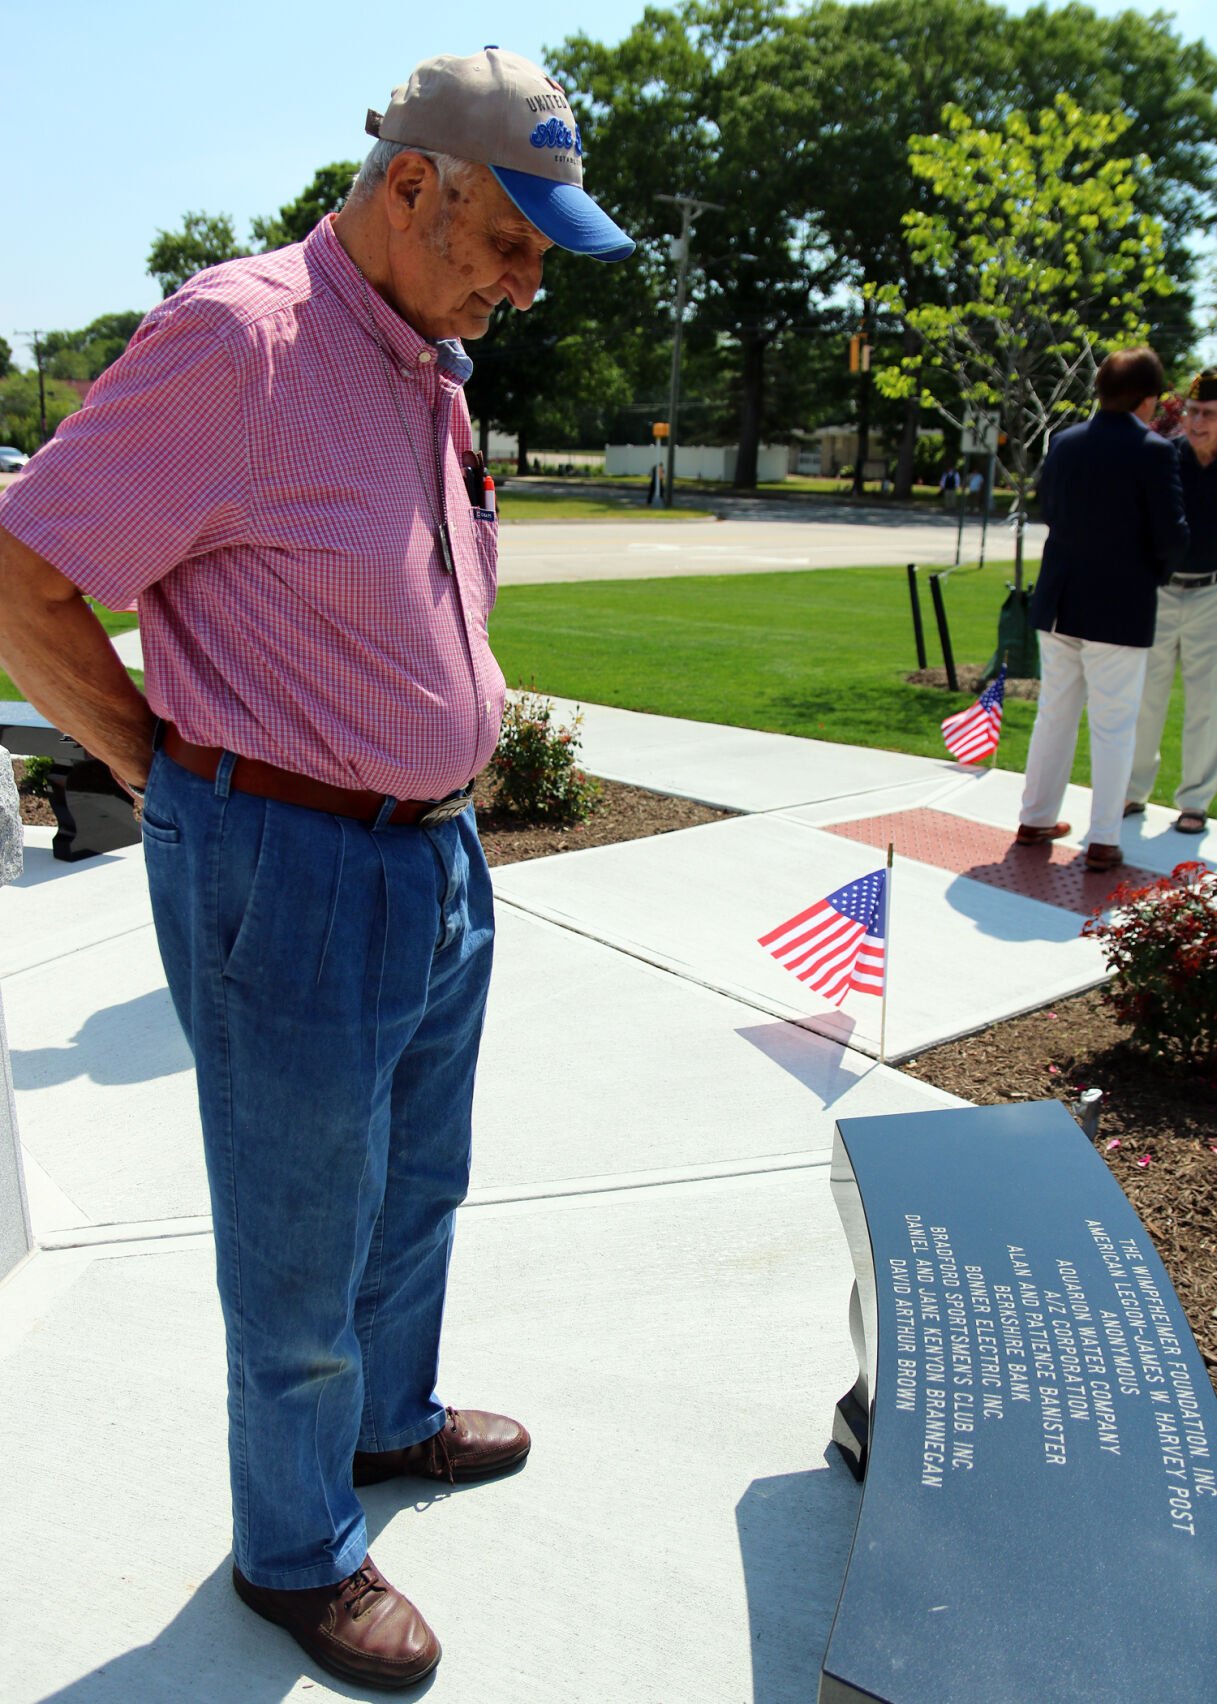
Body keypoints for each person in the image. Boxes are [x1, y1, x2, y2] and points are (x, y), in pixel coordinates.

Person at [0, 46, 633, 1691]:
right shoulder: (244, 336)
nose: (525, 283)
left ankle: (383, 1421)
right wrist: (158, 770)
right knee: (297, 1232)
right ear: (411, 183)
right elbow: (19, 577)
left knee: (415, 1179)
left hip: (432, 857)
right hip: (285, 855)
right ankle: (293, 1546)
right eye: (511, 241)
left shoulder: (424, 359)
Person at [1015, 347, 1189, 873]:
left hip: (1061, 600)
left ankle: (1035, 817)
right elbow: (1171, 537)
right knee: (1115, 724)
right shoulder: (1155, 452)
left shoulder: (1062, 443)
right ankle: (1104, 840)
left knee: (1055, 715)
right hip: (1119, 605)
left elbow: (1048, 507)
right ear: (1148, 398)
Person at [1124, 368, 1217, 833]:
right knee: (1146, 696)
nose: (1197, 422)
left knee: (1207, 702)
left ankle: (1195, 802)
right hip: (1160, 590)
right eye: (1194, 412)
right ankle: (1133, 791)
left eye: (1209, 415)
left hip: (1212, 595)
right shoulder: (1165, 457)